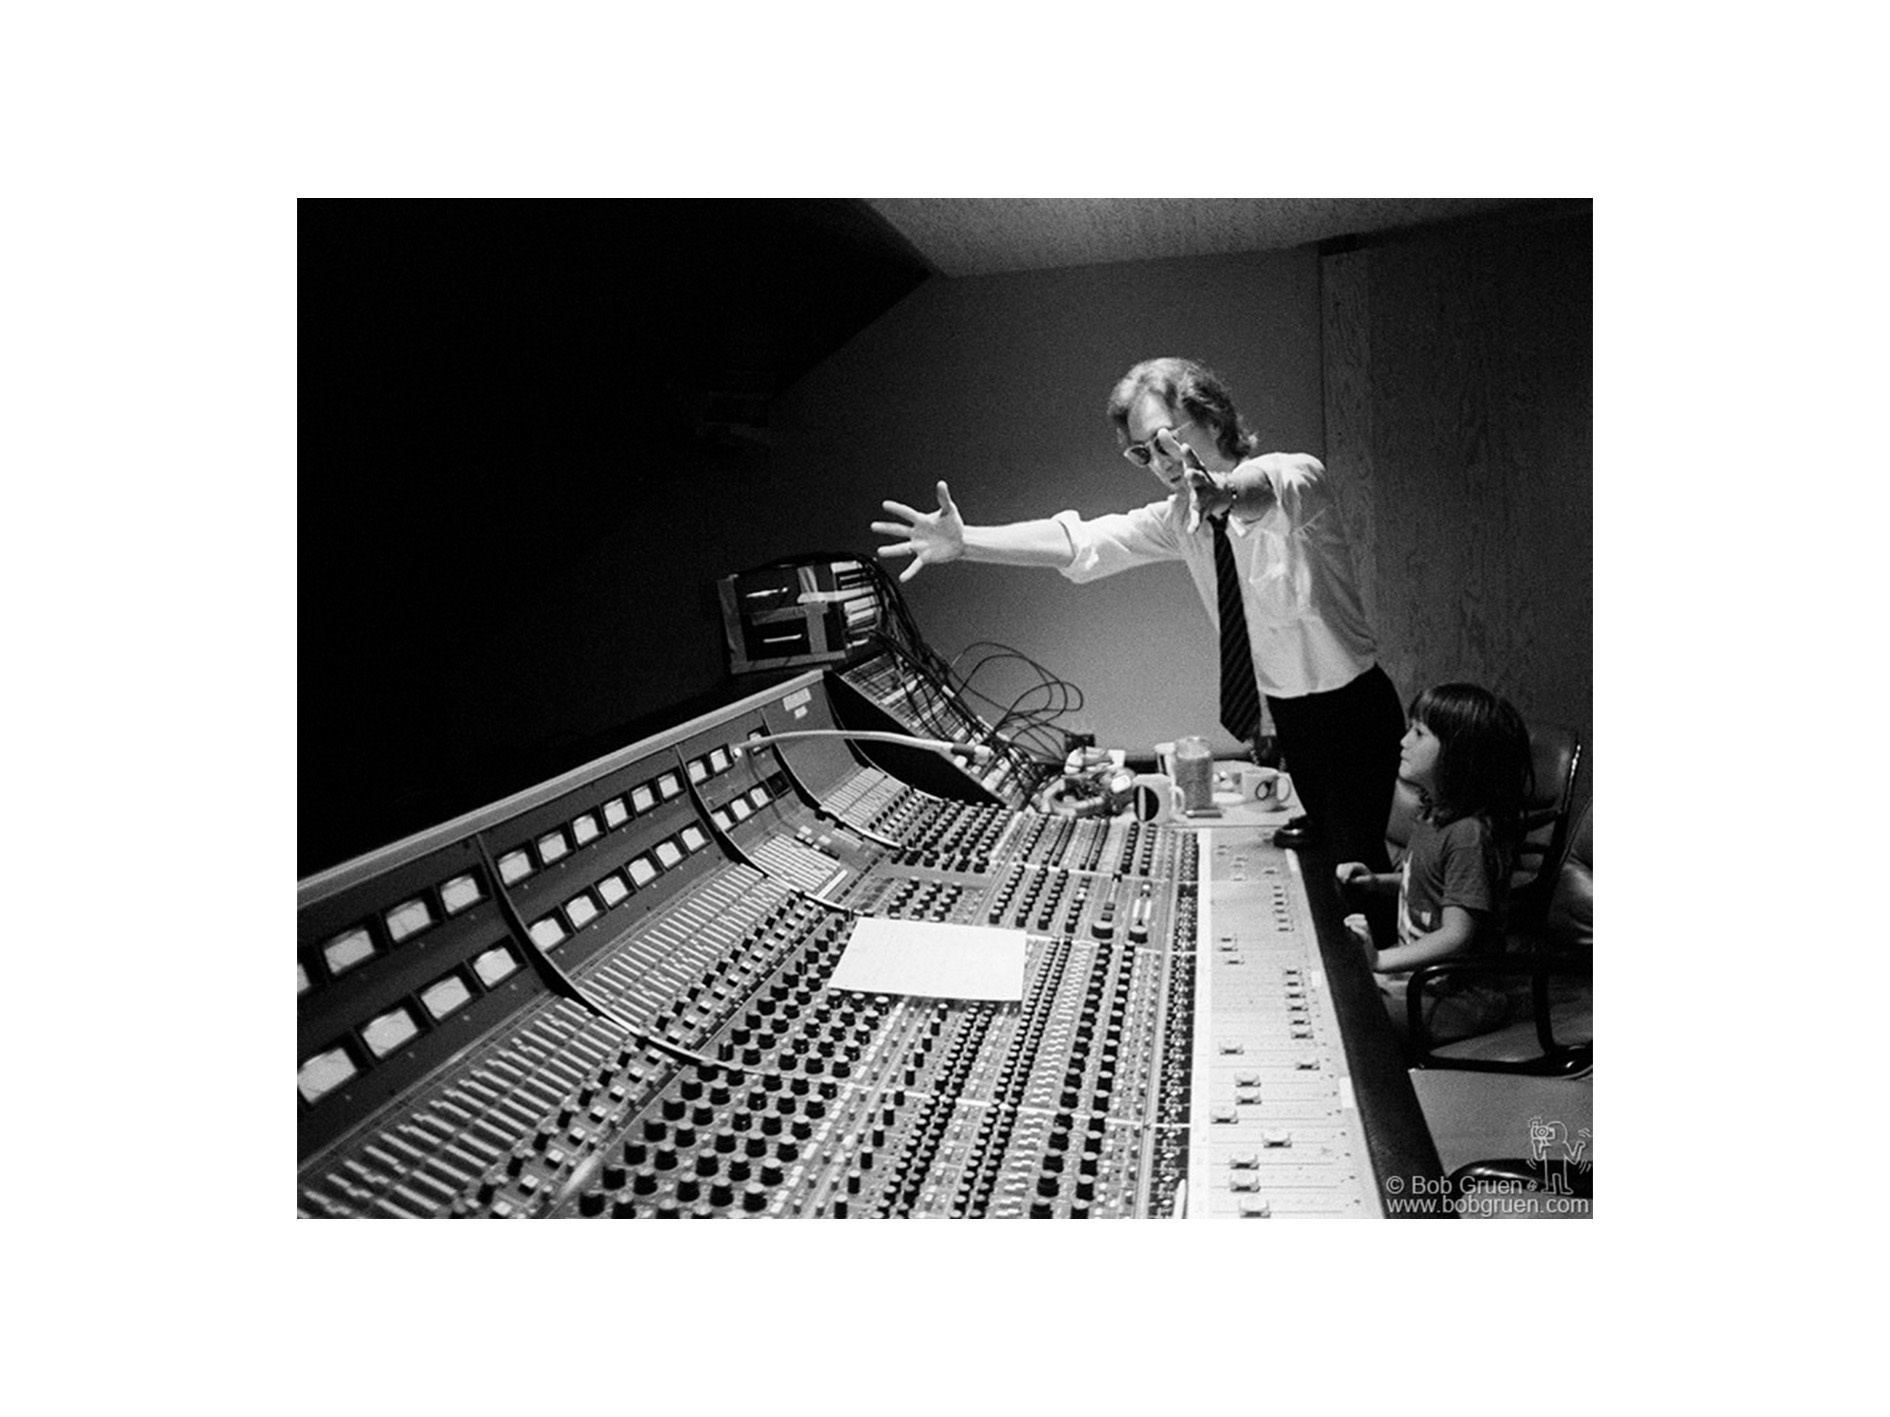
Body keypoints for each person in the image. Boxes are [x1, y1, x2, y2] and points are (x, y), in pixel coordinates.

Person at [871, 355, 1404, 872]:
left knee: (1357, 864)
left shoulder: (1296, 475)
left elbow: (1262, 491)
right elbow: (1082, 540)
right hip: (1290, 713)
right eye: (1143, 454)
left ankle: (1382, 957)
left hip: (1353, 709)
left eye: (1168, 438)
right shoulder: (1179, 519)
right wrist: (967, 543)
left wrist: (1221, 494)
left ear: (1213, 417)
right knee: (1325, 851)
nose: (1161, 460)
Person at [1335, 682, 1534, 1043]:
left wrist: (1379, 961)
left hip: (1459, 1000)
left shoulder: (1468, 835)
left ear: (1459, 755)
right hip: (1422, 982)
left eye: (1419, 733)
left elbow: (1457, 934)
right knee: (1336, 988)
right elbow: (1433, 885)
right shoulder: (1433, 817)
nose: (1403, 740)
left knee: (1347, 1019)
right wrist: (1378, 881)